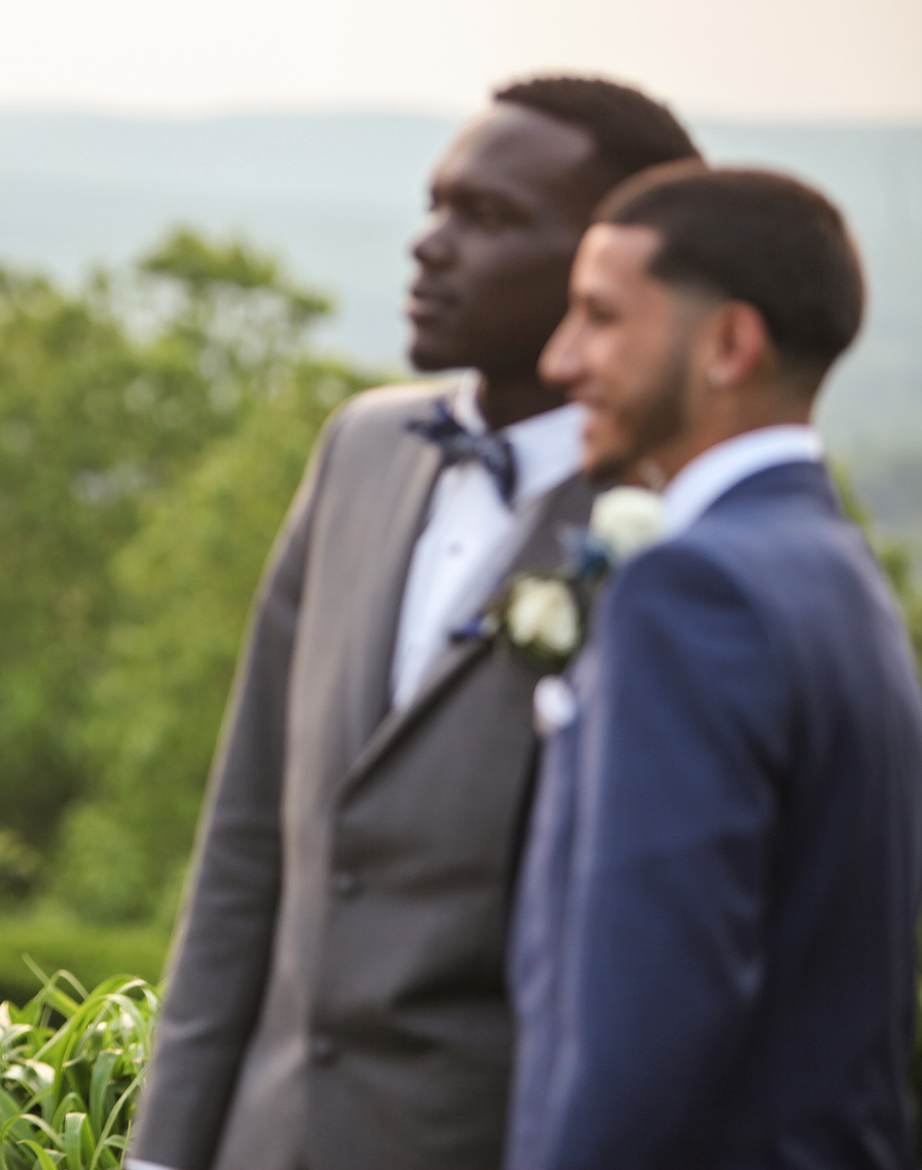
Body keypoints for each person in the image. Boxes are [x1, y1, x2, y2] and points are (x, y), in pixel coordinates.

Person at [128, 78, 702, 1170]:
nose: (427, 247)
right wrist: (165, 1148)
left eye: (484, 220)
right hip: (264, 1135)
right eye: (436, 205)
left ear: (610, 271)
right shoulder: (360, 449)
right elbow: (247, 830)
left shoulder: (662, 532)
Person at [506, 166, 922, 1169]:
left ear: (728, 344)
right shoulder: (836, 569)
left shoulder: (690, 591)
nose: (560, 359)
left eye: (600, 318)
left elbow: (645, 1020)